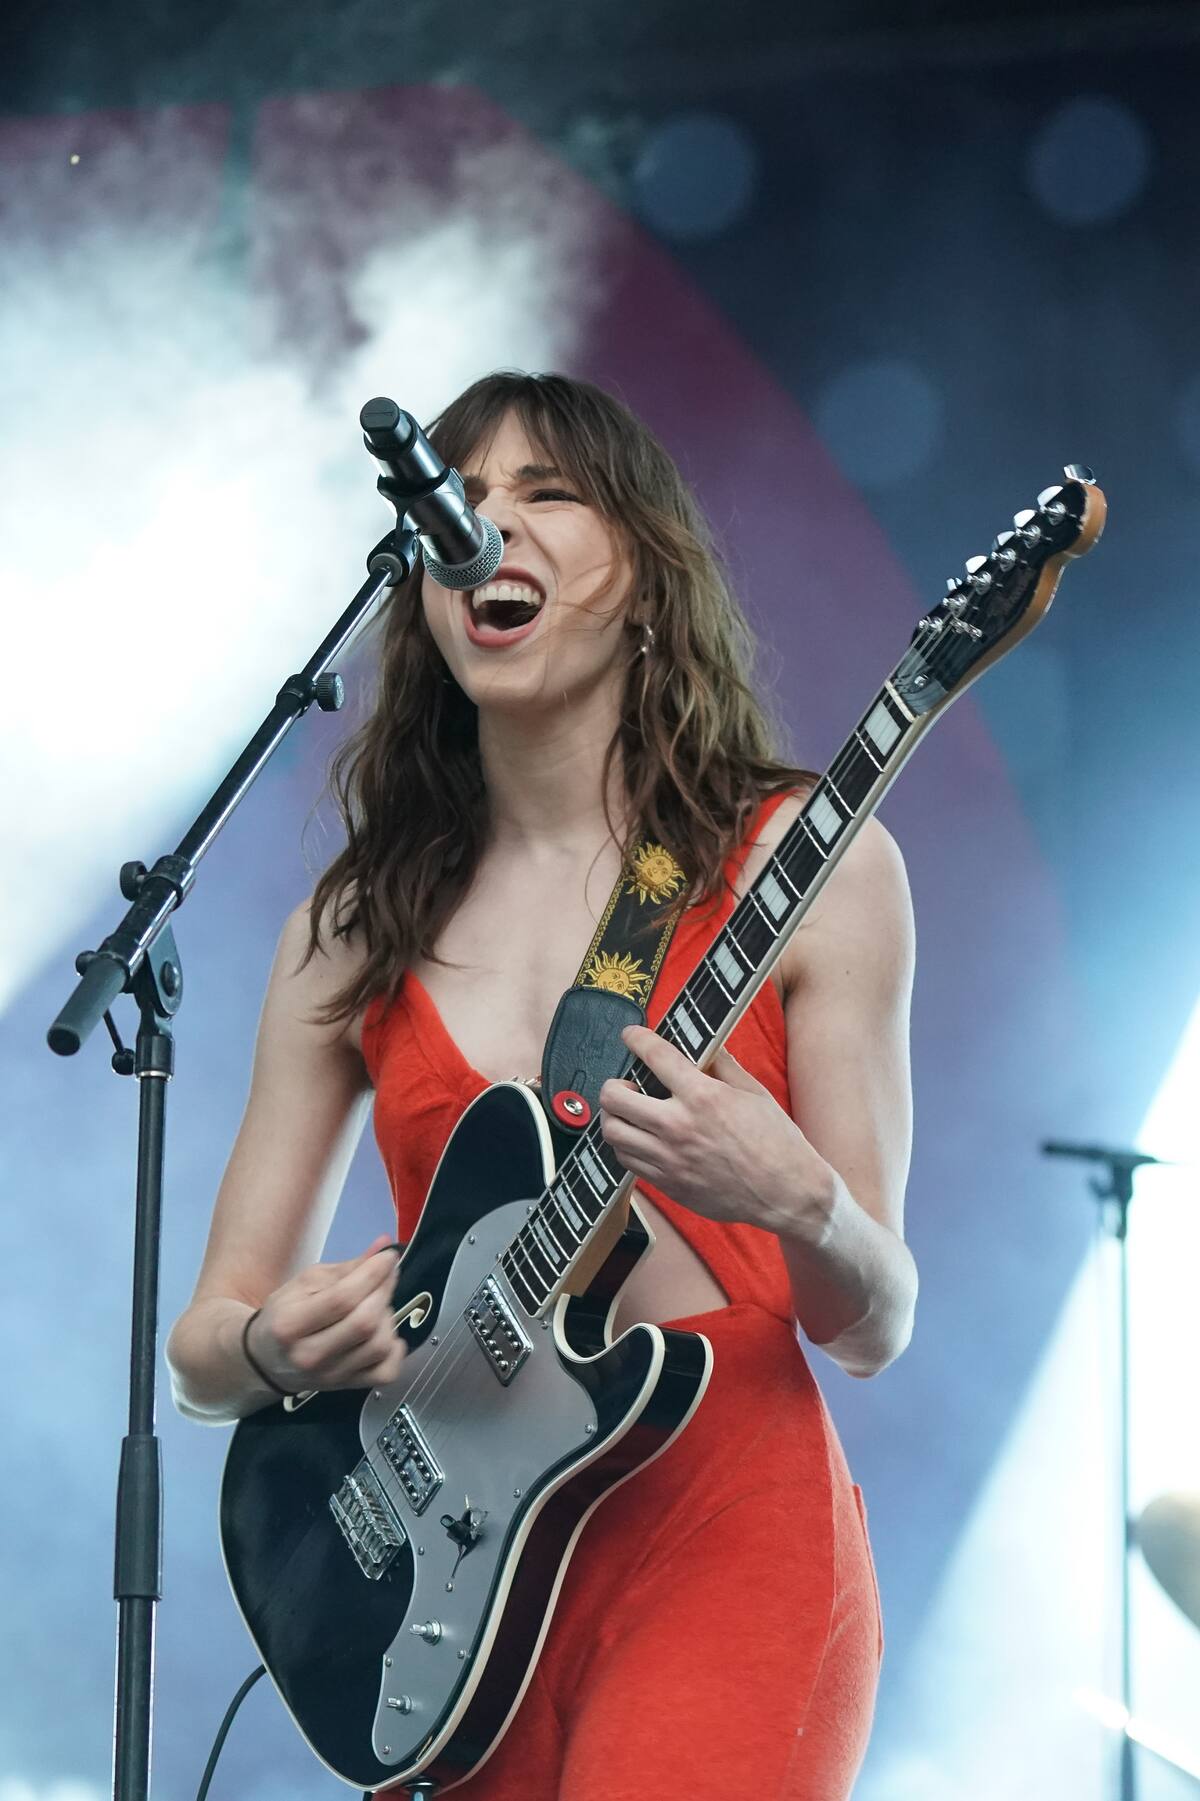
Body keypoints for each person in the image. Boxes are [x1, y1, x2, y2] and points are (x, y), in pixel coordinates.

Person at [166, 370, 917, 1800]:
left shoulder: (804, 864)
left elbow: (876, 1321)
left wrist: (800, 1200)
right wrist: (276, 1343)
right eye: (460, 500)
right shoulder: (353, 927)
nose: (489, 525)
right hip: (455, 1580)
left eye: (548, 494)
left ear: (647, 578)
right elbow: (204, 1347)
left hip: (720, 1527)